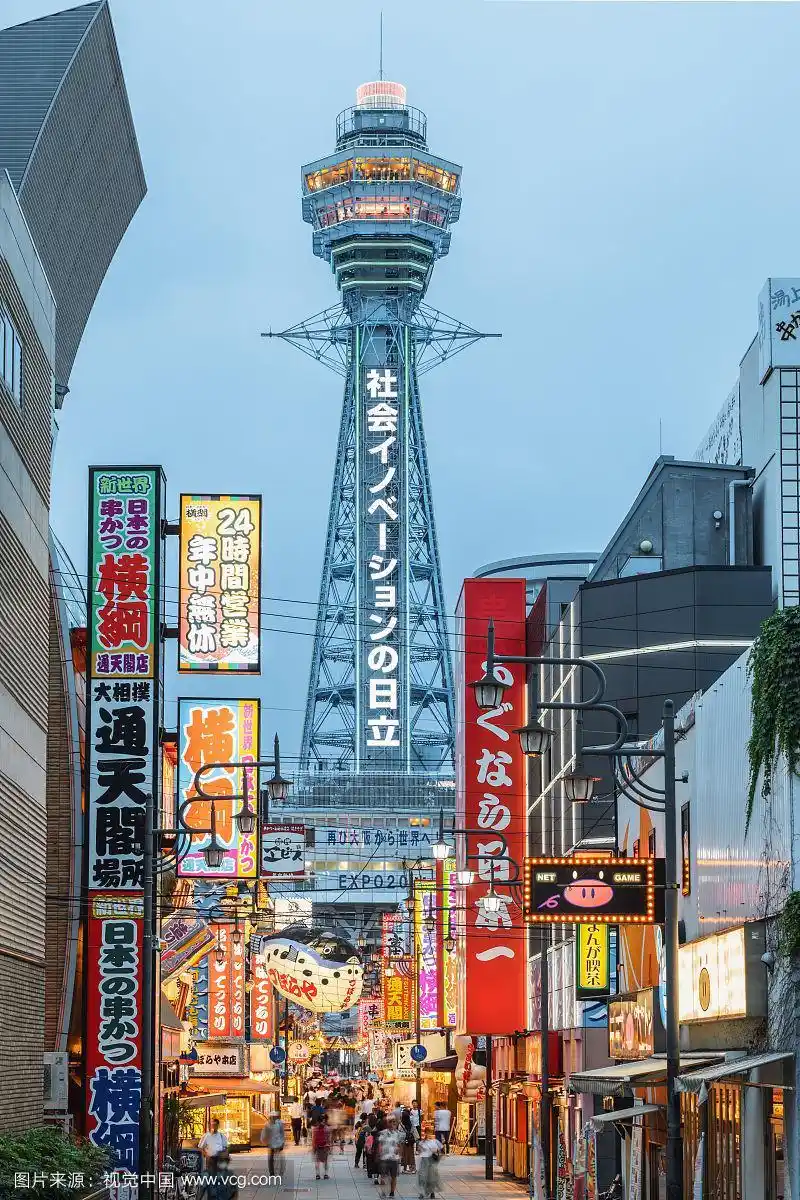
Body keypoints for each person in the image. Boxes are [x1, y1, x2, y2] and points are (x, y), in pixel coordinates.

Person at [377, 1116, 402, 1200]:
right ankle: (384, 1191)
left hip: (394, 1158)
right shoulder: (383, 1133)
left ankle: (392, 1192)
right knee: (383, 1176)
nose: (392, 1124)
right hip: (384, 1157)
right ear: (387, 1124)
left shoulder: (398, 1134)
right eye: (390, 1122)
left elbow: (399, 1145)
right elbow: (380, 1144)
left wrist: (399, 1153)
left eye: (394, 1123)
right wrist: (380, 1153)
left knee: (394, 1176)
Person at [417, 1123, 441, 1200]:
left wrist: (436, 1153)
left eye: (430, 1132)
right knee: (422, 1178)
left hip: (431, 1161)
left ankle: (432, 1192)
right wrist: (420, 1149)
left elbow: (440, 1150)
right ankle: (422, 1192)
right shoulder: (422, 1142)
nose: (429, 1134)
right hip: (424, 1160)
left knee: (432, 1178)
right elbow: (419, 1150)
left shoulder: (435, 1141)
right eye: (427, 1132)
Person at [261, 1112, 285, 1177]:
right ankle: (271, 1172)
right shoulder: (267, 1125)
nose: (274, 1119)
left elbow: (282, 1133)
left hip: (278, 1143)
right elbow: (263, 1135)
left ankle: (280, 1171)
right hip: (271, 1143)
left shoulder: (279, 1124)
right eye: (272, 1117)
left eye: (275, 1117)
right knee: (271, 1158)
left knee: (280, 1158)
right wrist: (265, 1142)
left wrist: (283, 1142)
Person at [312, 1114, 331, 1181]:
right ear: (324, 1120)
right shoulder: (327, 1129)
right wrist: (329, 1146)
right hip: (325, 1147)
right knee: (325, 1161)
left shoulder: (315, 1129)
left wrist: (313, 1148)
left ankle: (317, 1175)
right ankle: (325, 1174)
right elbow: (329, 1139)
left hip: (317, 1147)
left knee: (317, 1161)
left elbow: (314, 1139)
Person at [400, 1108, 418, 1174]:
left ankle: (404, 1168)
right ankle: (412, 1168)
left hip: (404, 1141)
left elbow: (400, 1133)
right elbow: (414, 1131)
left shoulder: (401, 1124)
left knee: (404, 1155)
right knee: (411, 1155)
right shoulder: (411, 1123)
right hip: (410, 1141)